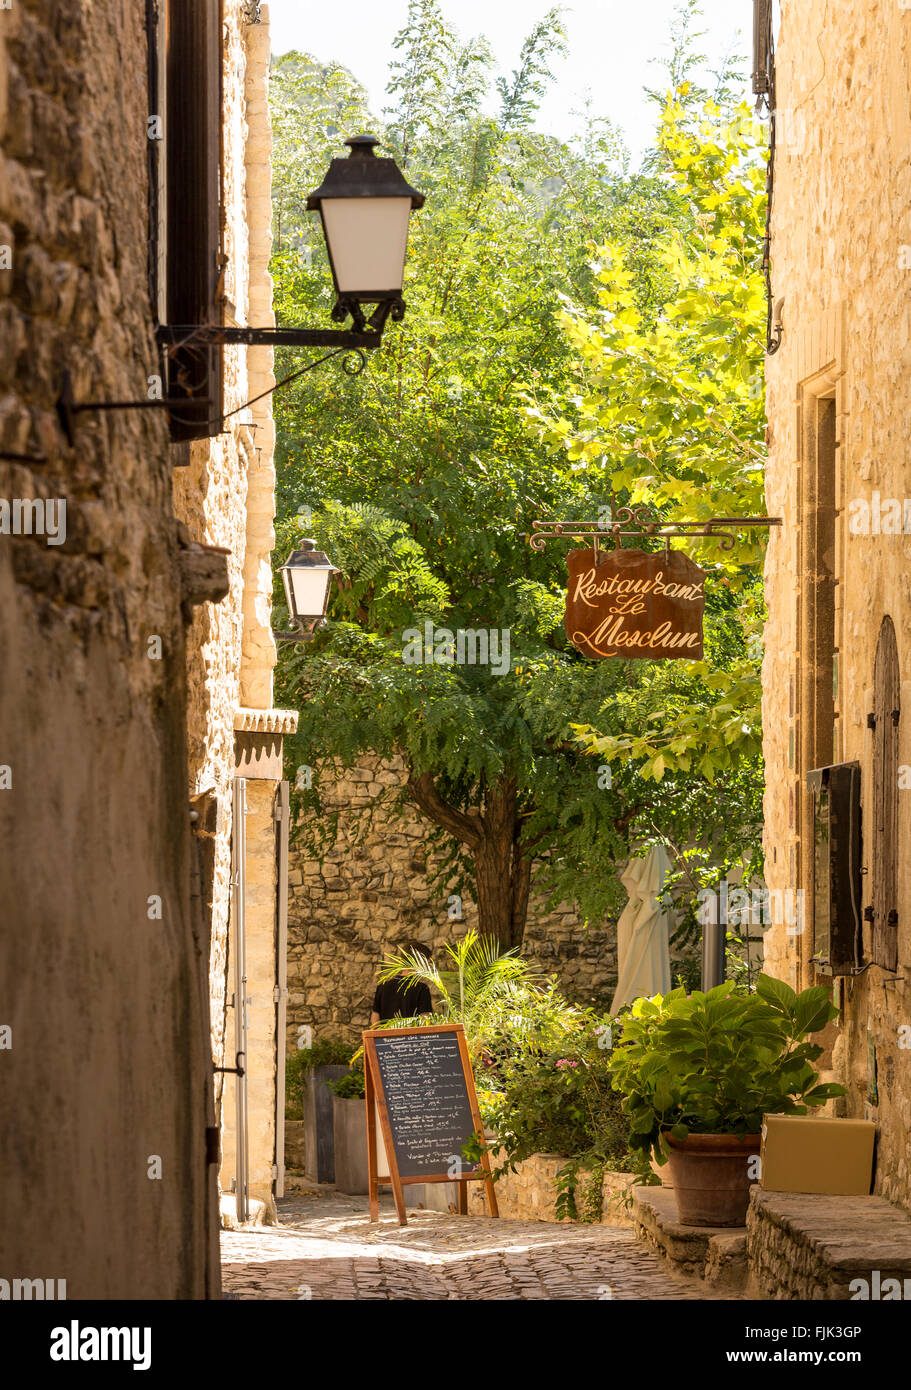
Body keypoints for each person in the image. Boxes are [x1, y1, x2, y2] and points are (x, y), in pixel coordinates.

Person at [370, 940, 433, 1023]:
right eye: (427, 962)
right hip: (412, 1036)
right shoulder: (421, 989)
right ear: (420, 960)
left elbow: (375, 1022)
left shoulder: (382, 987)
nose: (428, 966)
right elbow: (426, 1022)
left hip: (386, 1035)